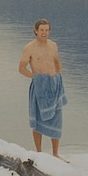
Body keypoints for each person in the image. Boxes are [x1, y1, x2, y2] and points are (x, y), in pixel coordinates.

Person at [18, 18, 67, 158]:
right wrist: (34, 77)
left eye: (46, 30)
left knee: (57, 119)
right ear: (35, 31)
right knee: (37, 120)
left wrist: (57, 76)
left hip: (54, 85)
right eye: (42, 30)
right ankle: (39, 152)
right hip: (39, 87)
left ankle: (55, 153)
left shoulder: (53, 46)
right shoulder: (29, 48)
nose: (44, 33)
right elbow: (21, 68)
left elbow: (57, 62)